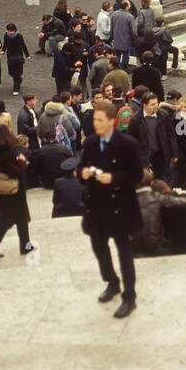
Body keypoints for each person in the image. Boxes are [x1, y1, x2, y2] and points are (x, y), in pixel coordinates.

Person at [78, 99, 143, 317]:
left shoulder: (127, 145)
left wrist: (114, 178)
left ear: (111, 122)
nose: (95, 123)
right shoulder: (90, 143)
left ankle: (129, 296)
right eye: (94, 119)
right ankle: (111, 281)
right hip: (96, 204)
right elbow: (81, 166)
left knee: (123, 250)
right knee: (98, 246)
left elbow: (137, 175)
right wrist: (83, 173)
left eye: (100, 120)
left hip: (119, 205)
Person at [0, 124, 35, 258]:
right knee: (4, 222)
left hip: (10, 193)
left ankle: (25, 245)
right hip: (12, 193)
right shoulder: (6, 154)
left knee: (21, 219)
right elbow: (14, 172)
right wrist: (22, 162)